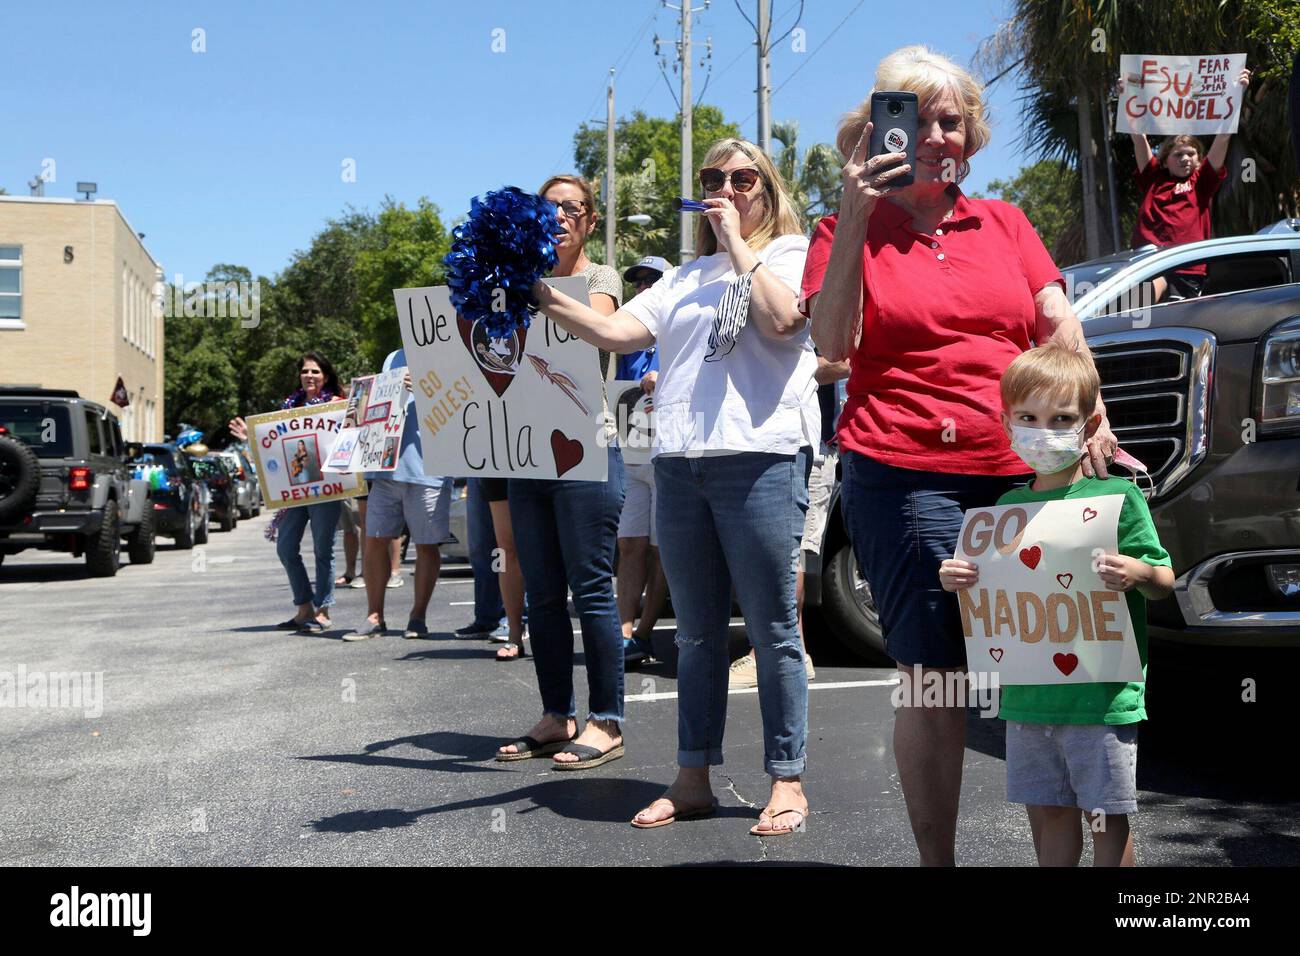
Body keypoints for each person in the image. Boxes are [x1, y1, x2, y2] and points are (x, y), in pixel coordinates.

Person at [804, 45, 1118, 865]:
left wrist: (1094, 415)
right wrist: (854, 206)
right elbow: (832, 344)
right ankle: (937, 863)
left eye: (954, 121)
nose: (939, 136)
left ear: (972, 137)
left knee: (1056, 670)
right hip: (904, 475)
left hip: (1026, 474)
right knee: (936, 677)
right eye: (920, 119)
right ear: (879, 132)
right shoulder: (844, 230)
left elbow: (1058, 329)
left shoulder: (1007, 223)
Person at [532, 141, 817, 835]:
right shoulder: (684, 277)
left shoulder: (791, 253)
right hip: (681, 462)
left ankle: (787, 779)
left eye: (742, 177)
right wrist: (537, 292)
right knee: (693, 635)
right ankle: (694, 776)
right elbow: (613, 331)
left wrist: (737, 245)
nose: (726, 186)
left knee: (773, 626)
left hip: (760, 458)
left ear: (767, 189)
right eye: (712, 178)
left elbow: (782, 321)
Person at [940, 343, 1173, 866]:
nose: (1043, 431)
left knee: (1105, 815)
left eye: (1060, 418)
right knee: (1049, 813)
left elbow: (1164, 578)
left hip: (1100, 696)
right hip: (1028, 701)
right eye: (1028, 417)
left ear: (1088, 425)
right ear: (1006, 423)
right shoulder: (1002, 510)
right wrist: (960, 579)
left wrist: (1136, 573)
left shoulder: (1117, 498)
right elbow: (993, 601)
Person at [494, 174, 628, 768]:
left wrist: (529, 288)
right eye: (551, 209)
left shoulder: (601, 280)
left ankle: (607, 720)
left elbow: (587, 324)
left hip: (587, 446)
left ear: (590, 221)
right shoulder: (511, 281)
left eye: (574, 209)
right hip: (526, 451)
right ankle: (557, 713)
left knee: (592, 588)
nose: (563, 217)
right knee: (543, 593)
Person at [727, 352, 847, 688]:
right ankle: (789, 653)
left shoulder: (814, 304)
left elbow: (844, 362)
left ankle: (774, 654)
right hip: (770, 444)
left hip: (804, 446)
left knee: (785, 553)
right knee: (774, 553)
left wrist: (772, 366)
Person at [228, 351, 346, 633]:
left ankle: (323, 610)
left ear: (325, 376)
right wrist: (250, 439)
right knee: (285, 547)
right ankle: (304, 608)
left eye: (315, 372)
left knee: (322, 549)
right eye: (305, 371)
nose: (309, 376)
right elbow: (276, 448)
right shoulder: (290, 407)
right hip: (297, 489)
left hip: (326, 487)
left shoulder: (337, 405)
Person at [343, 349, 452, 642]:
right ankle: (374, 616)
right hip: (386, 469)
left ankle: (418, 618)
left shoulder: (450, 348)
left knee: (427, 544)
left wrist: (430, 386)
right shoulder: (392, 357)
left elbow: (466, 397)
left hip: (429, 469)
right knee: (374, 540)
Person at [1123, 67, 1251, 302]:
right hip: (1149, 262)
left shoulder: (1202, 182)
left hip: (1187, 266)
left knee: (1174, 320)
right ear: (1164, 160)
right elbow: (1138, 137)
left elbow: (1223, 136)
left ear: (1199, 160)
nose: (1184, 158)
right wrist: (1127, 97)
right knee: (1137, 309)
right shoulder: (1153, 177)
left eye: (1191, 154)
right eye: (1177, 154)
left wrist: (1237, 92)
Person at [617, 255, 671, 664]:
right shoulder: (625, 336)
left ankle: (646, 631)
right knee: (630, 545)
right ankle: (623, 633)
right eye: (637, 282)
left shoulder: (679, 328)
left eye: (653, 280)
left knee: (661, 551)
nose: (643, 288)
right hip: (630, 457)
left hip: (667, 457)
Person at [481, 478, 528, 661]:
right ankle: (514, 634)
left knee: (548, 547)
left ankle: (553, 632)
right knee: (505, 550)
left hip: (543, 461)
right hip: (499, 464)